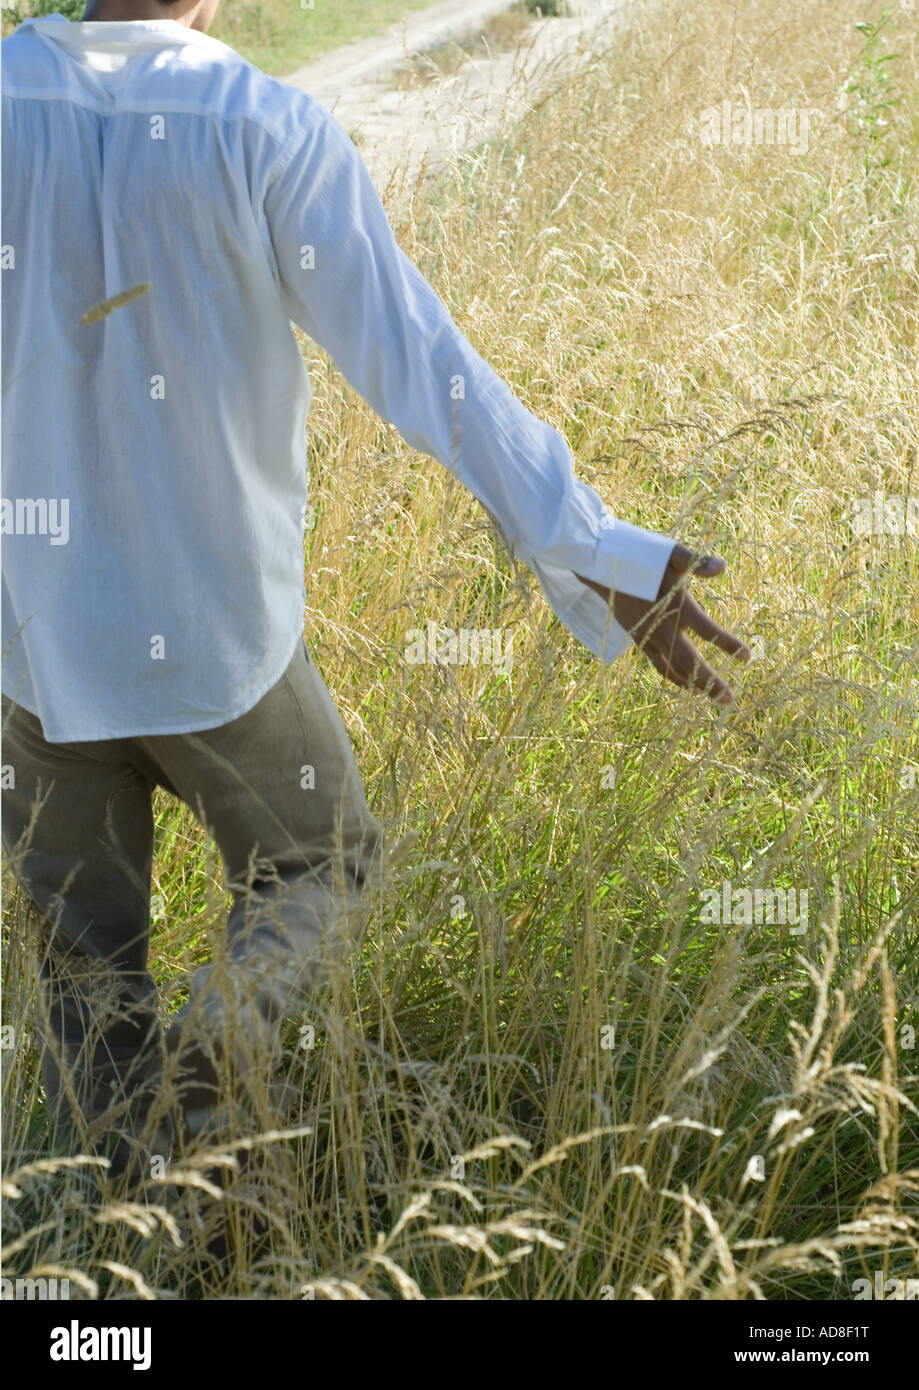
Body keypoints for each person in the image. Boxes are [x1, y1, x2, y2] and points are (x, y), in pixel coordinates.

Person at [0, 0, 750, 1190]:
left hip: (34, 651)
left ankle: (119, 1259)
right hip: (218, 643)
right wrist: (596, 544)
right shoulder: (259, 123)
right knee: (325, 866)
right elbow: (419, 360)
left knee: (86, 986)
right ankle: (232, 1035)